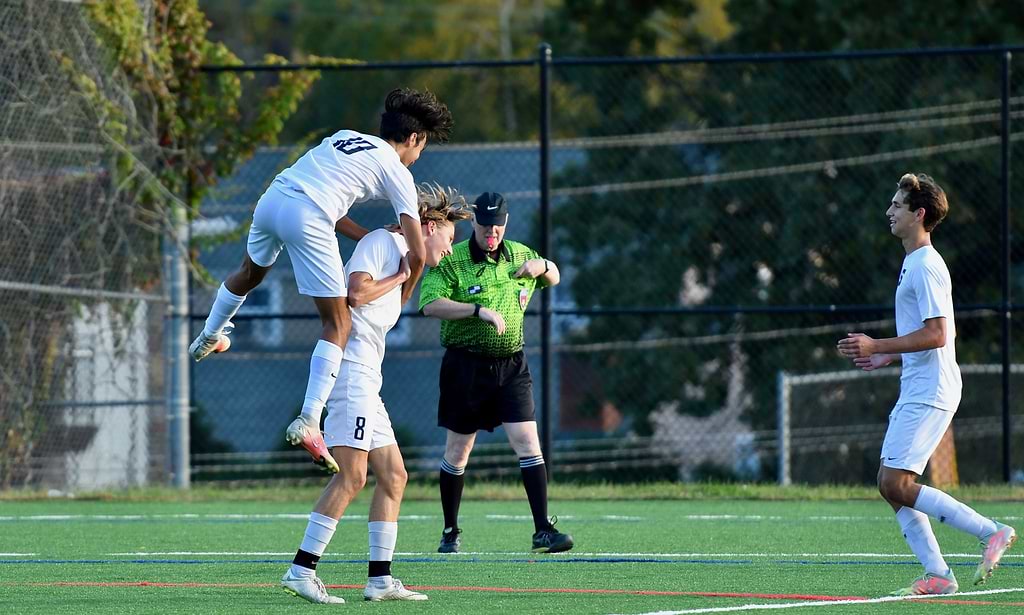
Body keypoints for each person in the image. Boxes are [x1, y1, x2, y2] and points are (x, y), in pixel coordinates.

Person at [189, 88, 453, 473]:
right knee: (338, 322)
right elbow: (415, 246)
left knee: (250, 274)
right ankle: (310, 419)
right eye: (421, 148)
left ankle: (210, 332)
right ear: (413, 139)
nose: (417, 158)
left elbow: (330, 205)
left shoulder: (345, 137)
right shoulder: (398, 170)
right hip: (308, 214)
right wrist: (410, 277)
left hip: (273, 200)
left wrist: (366, 237)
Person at [281, 185, 472, 604]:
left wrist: (412, 270)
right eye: (449, 238)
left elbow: (393, 297)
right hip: (351, 378)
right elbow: (355, 293)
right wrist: (403, 273)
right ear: (428, 226)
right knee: (352, 476)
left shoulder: (405, 254)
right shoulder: (383, 243)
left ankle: (380, 580)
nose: (452, 249)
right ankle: (301, 570)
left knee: (395, 476)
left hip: (369, 383)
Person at [837, 173, 1016, 596]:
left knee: (894, 483)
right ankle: (938, 575)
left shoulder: (927, 265)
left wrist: (877, 341)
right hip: (920, 383)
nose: (889, 212)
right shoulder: (914, 261)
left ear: (919, 214)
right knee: (890, 483)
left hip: (931, 389)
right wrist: (889, 354)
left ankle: (991, 531)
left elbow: (939, 334)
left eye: (897, 206)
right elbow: (926, 335)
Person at [418, 191, 573, 554]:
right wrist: (477, 311)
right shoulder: (451, 260)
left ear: (506, 223)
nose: (492, 233)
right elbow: (429, 305)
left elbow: (555, 276)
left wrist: (544, 266)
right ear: (473, 222)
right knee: (458, 452)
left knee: (528, 443)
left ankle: (542, 530)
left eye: (498, 226)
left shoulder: (520, 254)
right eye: (485, 226)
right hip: (465, 366)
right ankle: (450, 530)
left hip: (511, 366)